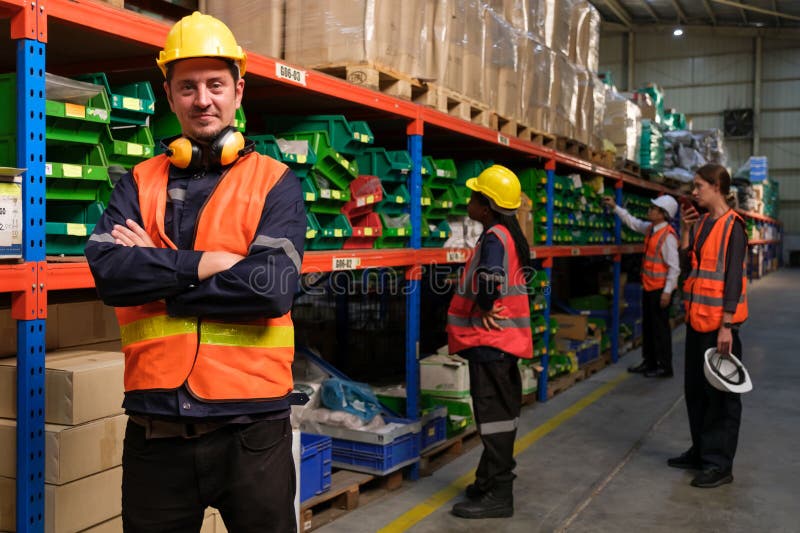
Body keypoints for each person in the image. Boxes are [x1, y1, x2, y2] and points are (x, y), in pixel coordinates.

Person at [85, 12, 305, 532]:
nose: (202, 99)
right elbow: (110, 274)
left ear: (238, 91)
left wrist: (159, 277)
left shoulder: (276, 183)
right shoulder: (137, 182)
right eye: (187, 87)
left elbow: (272, 288)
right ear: (169, 95)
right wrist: (206, 263)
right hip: (156, 434)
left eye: (215, 84)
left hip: (253, 434)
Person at [446, 165, 533, 519]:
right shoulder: (507, 233)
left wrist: (484, 306)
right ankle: (486, 481)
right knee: (501, 415)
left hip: (491, 342)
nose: (468, 201)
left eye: (474, 196)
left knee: (493, 419)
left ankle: (499, 493)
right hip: (503, 342)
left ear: (487, 205)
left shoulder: (495, 236)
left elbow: (491, 277)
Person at [669, 164, 748, 488]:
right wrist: (686, 234)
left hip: (720, 327)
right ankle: (701, 451)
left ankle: (719, 465)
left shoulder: (735, 227)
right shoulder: (701, 224)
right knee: (696, 392)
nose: (694, 191)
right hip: (697, 322)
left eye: (699, 185)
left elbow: (732, 279)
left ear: (716, 186)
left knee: (721, 399)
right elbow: (690, 267)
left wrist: (727, 324)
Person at [603, 194, 680, 377]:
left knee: (660, 329)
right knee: (649, 327)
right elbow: (633, 222)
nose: (650, 210)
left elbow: (674, 268)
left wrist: (667, 292)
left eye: (654, 208)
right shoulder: (651, 229)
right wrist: (615, 207)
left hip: (660, 290)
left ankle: (664, 366)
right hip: (649, 287)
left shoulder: (667, 236)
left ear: (663, 214)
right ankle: (650, 362)